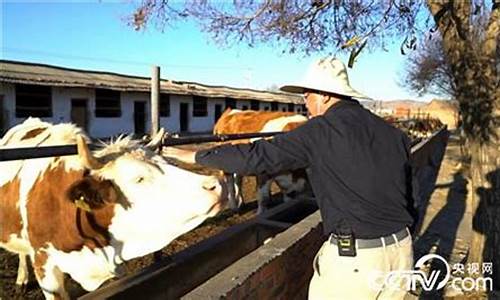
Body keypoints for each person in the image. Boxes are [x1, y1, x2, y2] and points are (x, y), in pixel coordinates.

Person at [164, 57, 415, 299]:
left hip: (357, 263)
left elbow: (257, 156)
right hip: (402, 251)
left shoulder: (320, 131)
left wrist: (194, 156)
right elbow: (411, 196)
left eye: (307, 95)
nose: (305, 102)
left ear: (325, 95)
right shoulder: (392, 133)